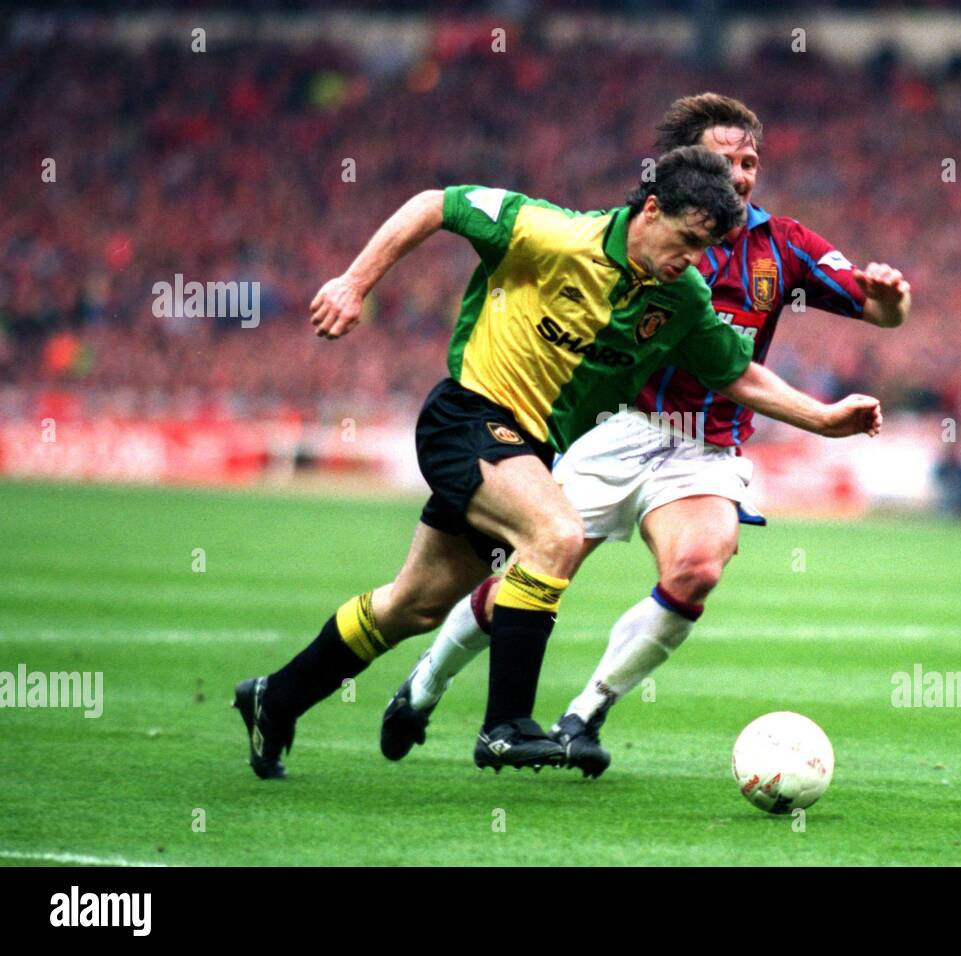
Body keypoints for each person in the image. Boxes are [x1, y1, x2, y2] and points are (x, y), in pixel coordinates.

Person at [234, 144, 884, 779]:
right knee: (556, 534)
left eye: (705, 251)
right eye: (686, 241)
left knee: (414, 606)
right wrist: (354, 283)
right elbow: (436, 204)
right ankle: (506, 727)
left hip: (526, 449)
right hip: (466, 417)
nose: (693, 261)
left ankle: (276, 698)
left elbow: (736, 374)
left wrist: (825, 419)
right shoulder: (549, 232)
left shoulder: (680, 295)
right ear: (651, 209)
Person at [382, 94, 909, 777]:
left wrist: (892, 298)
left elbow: (878, 310)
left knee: (698, 567)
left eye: (751, 162)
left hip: (706, 448)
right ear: (685, 169)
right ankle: (425, 685)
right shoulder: (646, 231)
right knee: (531, 570)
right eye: (726, 161)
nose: (743, 175)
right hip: (619, 429)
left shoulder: (785, 246)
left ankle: (586, 713)